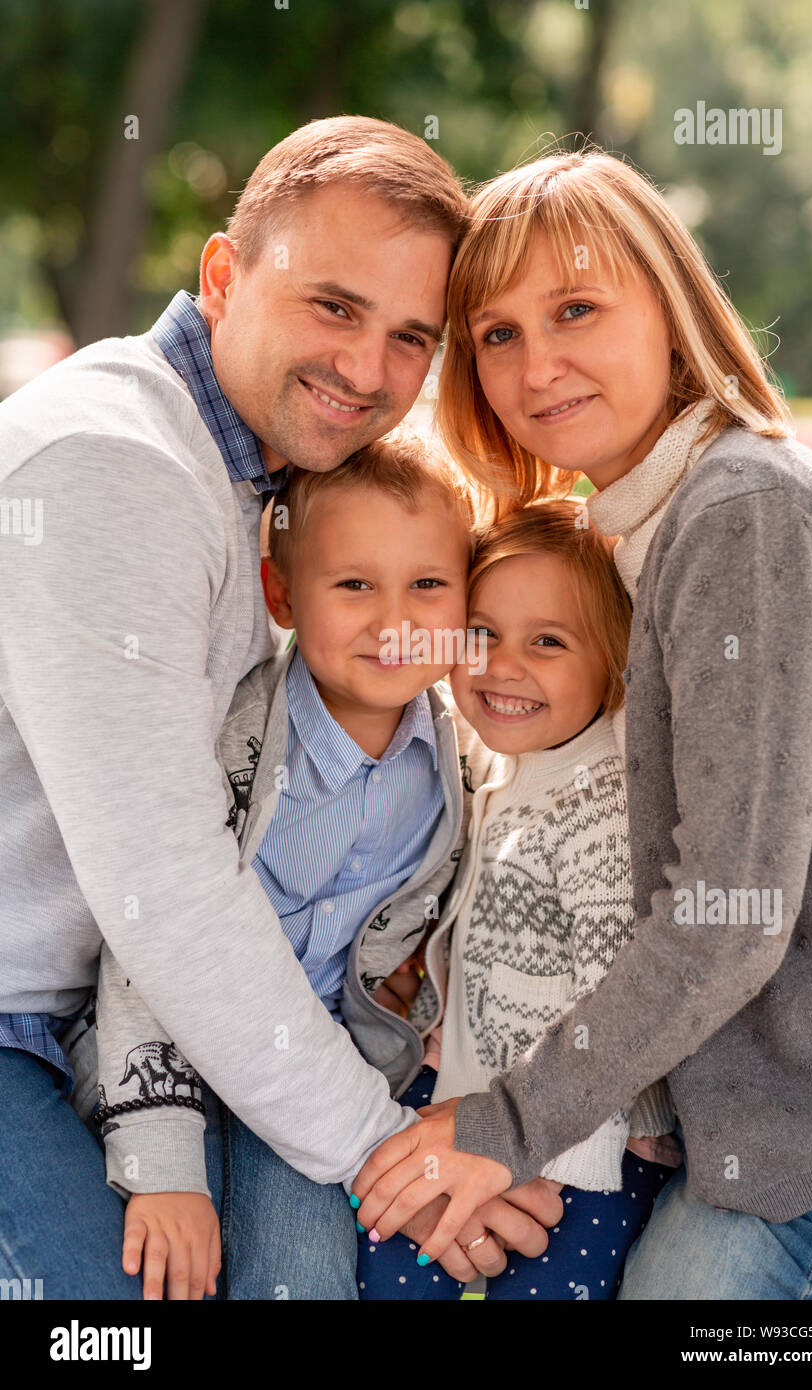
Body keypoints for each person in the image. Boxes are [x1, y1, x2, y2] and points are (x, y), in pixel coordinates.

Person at [351, 148, 812, 1301]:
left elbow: (727, 910)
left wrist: (508, 1123)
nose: (537, 366)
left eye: (576, 308)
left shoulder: (740, 515)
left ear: (671, 314)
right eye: (495, 333)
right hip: (705, 1124)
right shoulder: (630, 524)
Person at [0, 114, 481, 1300]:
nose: (367, 371)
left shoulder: (253, 477)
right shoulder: (117, 466)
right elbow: (166, 886)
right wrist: (384, 1152)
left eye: (408, 336)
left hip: (94, 1020)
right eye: (333, 306)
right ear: (223, 276)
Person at [92, 433, 564, 1299]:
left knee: (302, 1277)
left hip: (320, 1079)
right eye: (354, 585)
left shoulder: (459, 756)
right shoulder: (234, 746)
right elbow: (144, 938)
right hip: (170, 1061)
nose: (396, 622)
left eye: (428, 584)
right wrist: (163, 1164)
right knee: (158, 1271)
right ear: (281, 592)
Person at [355, 501, 681, 1300]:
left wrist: (534, 1154)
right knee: (387, 1265)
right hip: (461, 1093)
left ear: (615, 659)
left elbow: (617, 1010)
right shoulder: (497, 762)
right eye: (482, 633)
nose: (501, 666)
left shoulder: (603, 802)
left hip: (583, 1147)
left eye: (548, 641)